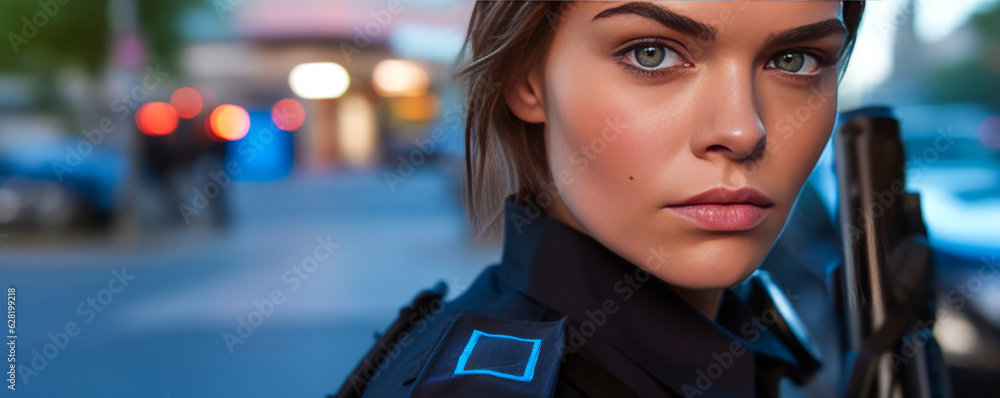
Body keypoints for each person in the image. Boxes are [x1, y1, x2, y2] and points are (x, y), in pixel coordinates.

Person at [333, 1, 865, 397]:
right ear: (528, 78)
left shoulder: (750, 326)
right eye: (651, 54)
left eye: (795, 60)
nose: (743, 131)